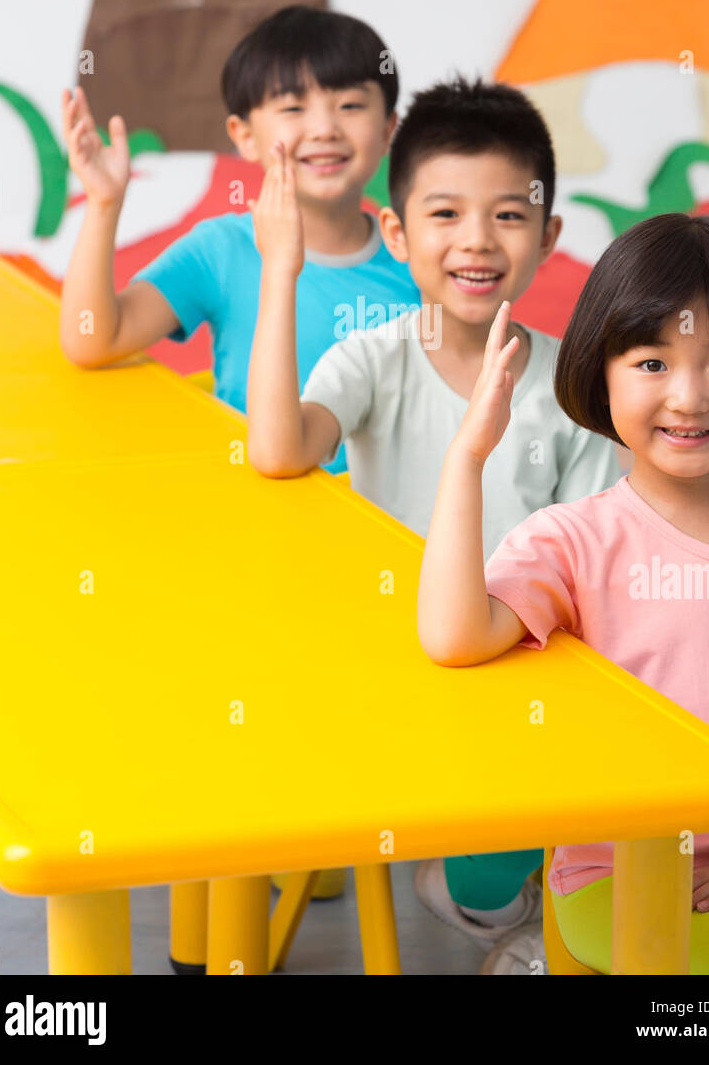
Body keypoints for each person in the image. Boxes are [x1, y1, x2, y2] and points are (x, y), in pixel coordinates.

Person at [247, 75, 621, 970]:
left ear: (549, 236)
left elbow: (597, 569)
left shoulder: (575, 386)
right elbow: (277, 449)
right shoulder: (375, 358)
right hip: (397, 667)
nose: (476, 242)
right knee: (492, 873)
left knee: (528, 862)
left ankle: (527, 905)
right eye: (446, 214)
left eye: (508, 215)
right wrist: (281, 268)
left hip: (525, 668)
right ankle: (515, 904)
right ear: (397, 233)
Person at [418, 213, 709, 974]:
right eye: (651, 363)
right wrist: (466, 459)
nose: (690, 397)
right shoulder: (572, 541)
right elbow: (453, 635)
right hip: (618, 878)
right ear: (600, 373)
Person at [58, 4, 420, 479]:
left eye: (350, 105)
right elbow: (92, 339)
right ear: (244, 136)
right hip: (251, 518)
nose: (324, 128)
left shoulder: (421, 260)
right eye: (293, 108)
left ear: (388, 128)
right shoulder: (222, 249)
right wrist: (103, 204)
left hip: (386, 532)